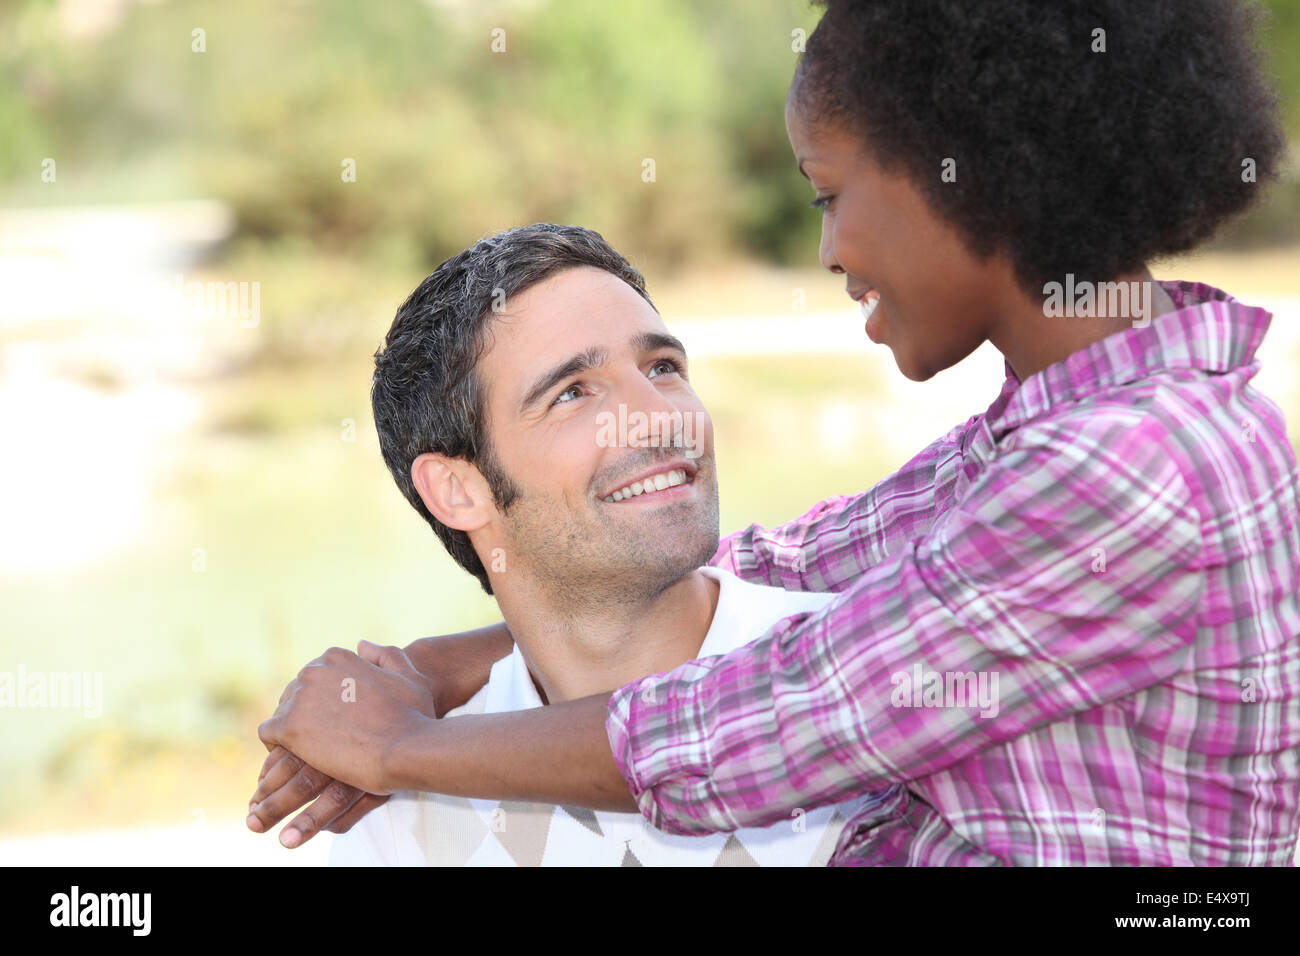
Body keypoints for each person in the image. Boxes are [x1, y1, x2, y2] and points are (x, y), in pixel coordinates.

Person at [250, 0, 1300, 865]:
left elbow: (758, 728)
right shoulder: (1076, 421)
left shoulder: (1125, 468)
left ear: (963, 172)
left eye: (832, 194)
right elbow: (791, 559)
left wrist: (402, 747)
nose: (832, 249)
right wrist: (435, 663)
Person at [325, 222, 893, 865]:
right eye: (572, 393)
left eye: (663, 367)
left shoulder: (877, 690)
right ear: (458, 489)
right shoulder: (407, 818)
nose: (656, 415)